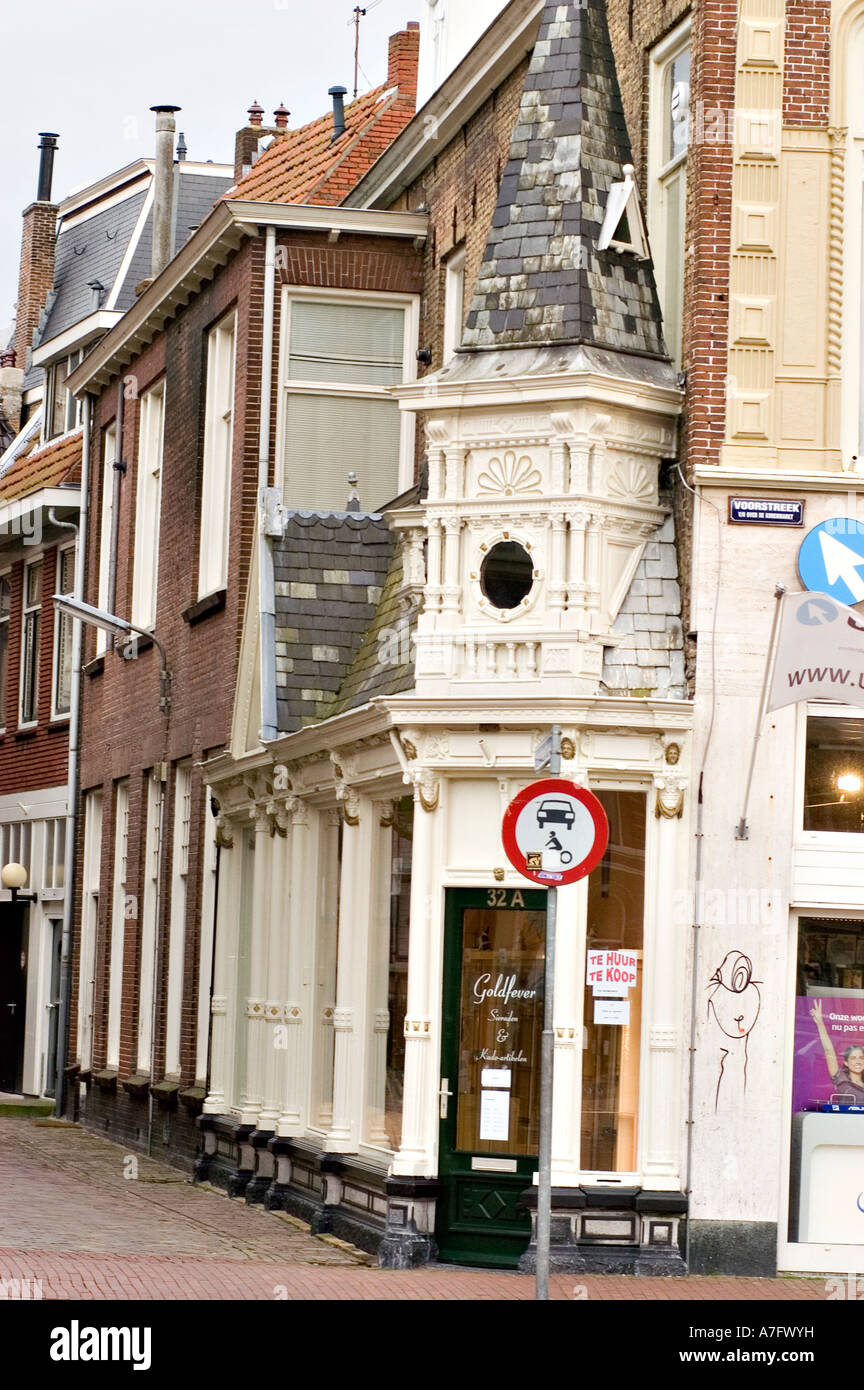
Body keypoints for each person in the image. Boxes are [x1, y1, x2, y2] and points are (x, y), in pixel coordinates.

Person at [809, 998, 864, 1103]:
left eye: (861, 1058)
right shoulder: (840, 1078)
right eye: (853, 1058)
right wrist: (820, 1023)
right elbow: (829, 1050)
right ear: (846, 1063)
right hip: (843, 1119)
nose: (858, 1061)